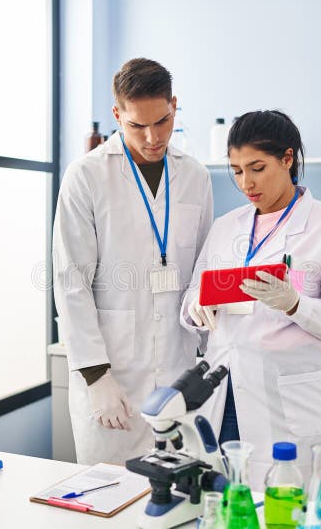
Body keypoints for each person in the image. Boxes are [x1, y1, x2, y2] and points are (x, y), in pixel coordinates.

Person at [180, 110, 321, 489]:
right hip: (227, 398)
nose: (245, 183)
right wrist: (196, 306)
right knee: (232, 506)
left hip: (295, 403)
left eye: (257, 168)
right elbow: (192, 296)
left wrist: (295, 304)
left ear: (287, 159)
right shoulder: (226, 228)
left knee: (294, 508)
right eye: (236, 170)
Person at [53, 58, 213, 465]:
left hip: (179, 375)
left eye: (162, 121)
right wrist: (96, 377)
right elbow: (71, 283)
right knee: (108, 501)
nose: (152, 137)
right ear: (116, 114)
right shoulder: (86, 176)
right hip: (113, 377)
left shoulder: (195, 176)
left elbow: (203, 272)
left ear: (174, 105)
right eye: (137, 125)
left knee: (176, 501)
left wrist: (211, 356)